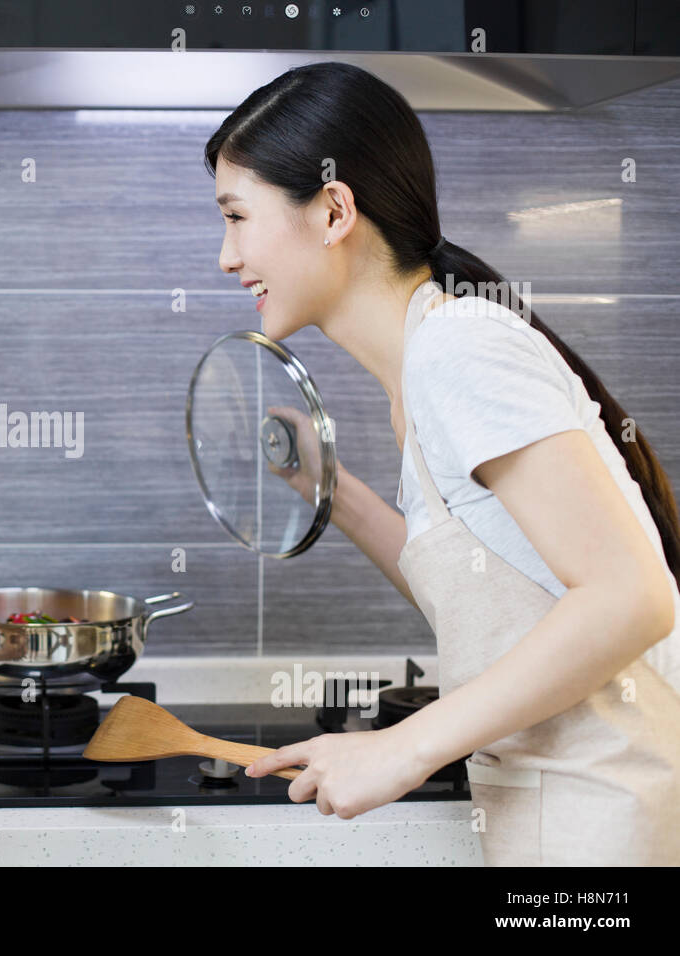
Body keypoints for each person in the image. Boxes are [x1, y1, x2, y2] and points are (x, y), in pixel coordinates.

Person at [210, 62, 680, 865]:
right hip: (557, 815)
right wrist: (329, 487)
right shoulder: (426, 365)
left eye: (236, 217)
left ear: (332, 210)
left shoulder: (461, 350)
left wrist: (403, 746)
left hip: (603, 827)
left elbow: (633, 596)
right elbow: (492, 586)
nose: (226, 257)